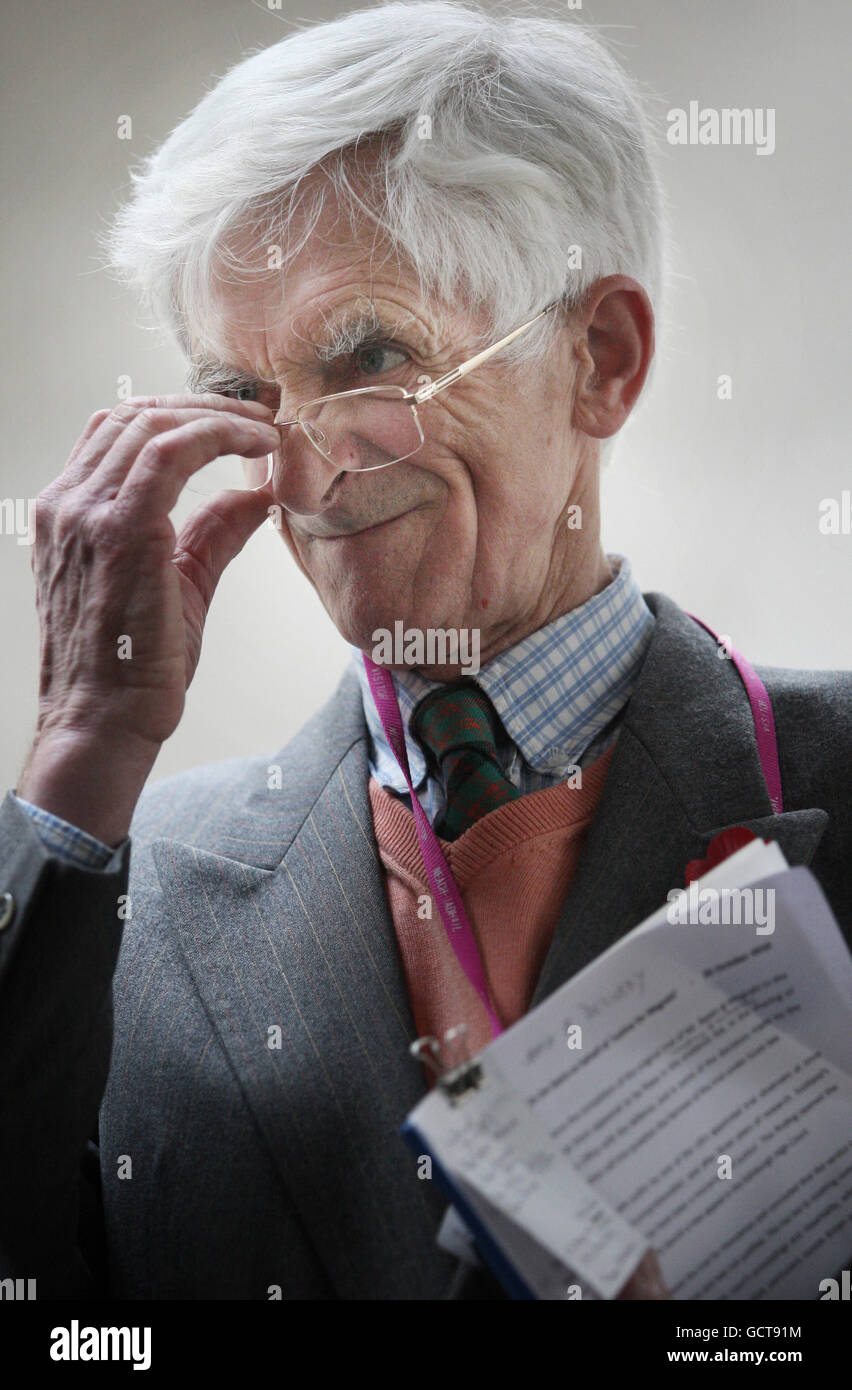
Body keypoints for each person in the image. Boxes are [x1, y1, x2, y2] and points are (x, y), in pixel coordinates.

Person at [0, 1, 848, 1301]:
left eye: (372, 354)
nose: (302, 464)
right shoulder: (129, 878)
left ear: (600, 360)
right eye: (240, 393)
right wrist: (78, 749)